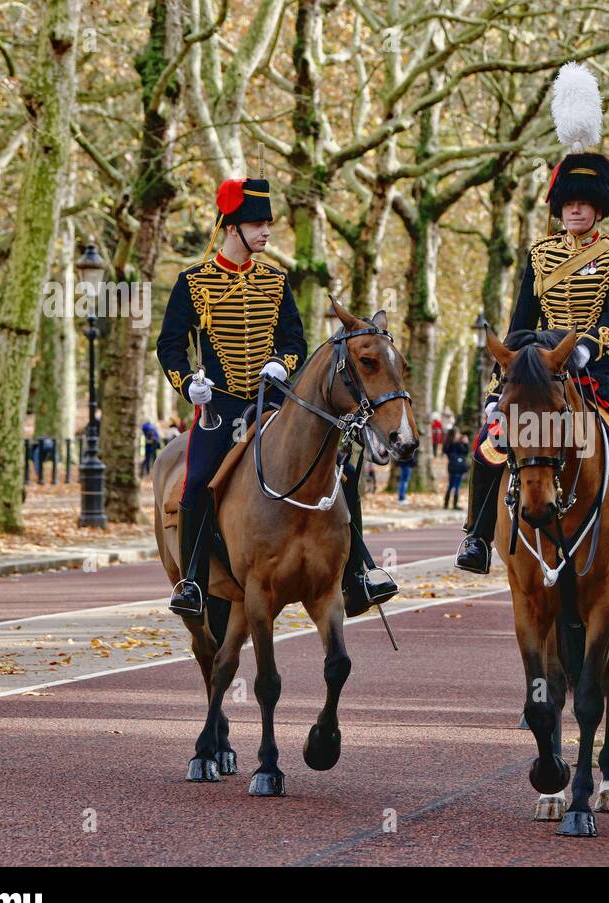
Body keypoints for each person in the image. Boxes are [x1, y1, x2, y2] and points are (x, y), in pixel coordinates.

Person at [455, 133, 609, 576]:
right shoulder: (540, 255)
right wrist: (501, 378)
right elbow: (519, 321)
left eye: (584, 202)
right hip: (537, 366)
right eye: (568, 203)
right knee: (487, 441)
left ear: (598, 208)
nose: (575, 209)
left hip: (598, 363)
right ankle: (478, 535)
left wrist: (587, 345)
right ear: (559, 207)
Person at [156, 176, 392, 618]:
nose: (266, 232)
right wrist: (188, 383)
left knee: (338, 469)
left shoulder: (275, 281)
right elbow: (169, 345)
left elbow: (294, 340)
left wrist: (282, 363)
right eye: (257, 224)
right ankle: (192, 581)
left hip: (275, 403)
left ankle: (360, 572)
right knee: (197, 480)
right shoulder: (193, 283)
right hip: (221, 408)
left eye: (268, 223)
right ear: (232, 227)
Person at [444, 428, 470, 509]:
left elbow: (446, 451)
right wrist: (465, 443)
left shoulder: (447, 443)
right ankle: (455, 505)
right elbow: (465, 451)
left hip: (451, 466)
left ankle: (446, 504)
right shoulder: (457, 444)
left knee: (450, 485)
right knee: (457, 485)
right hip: (458, 467)